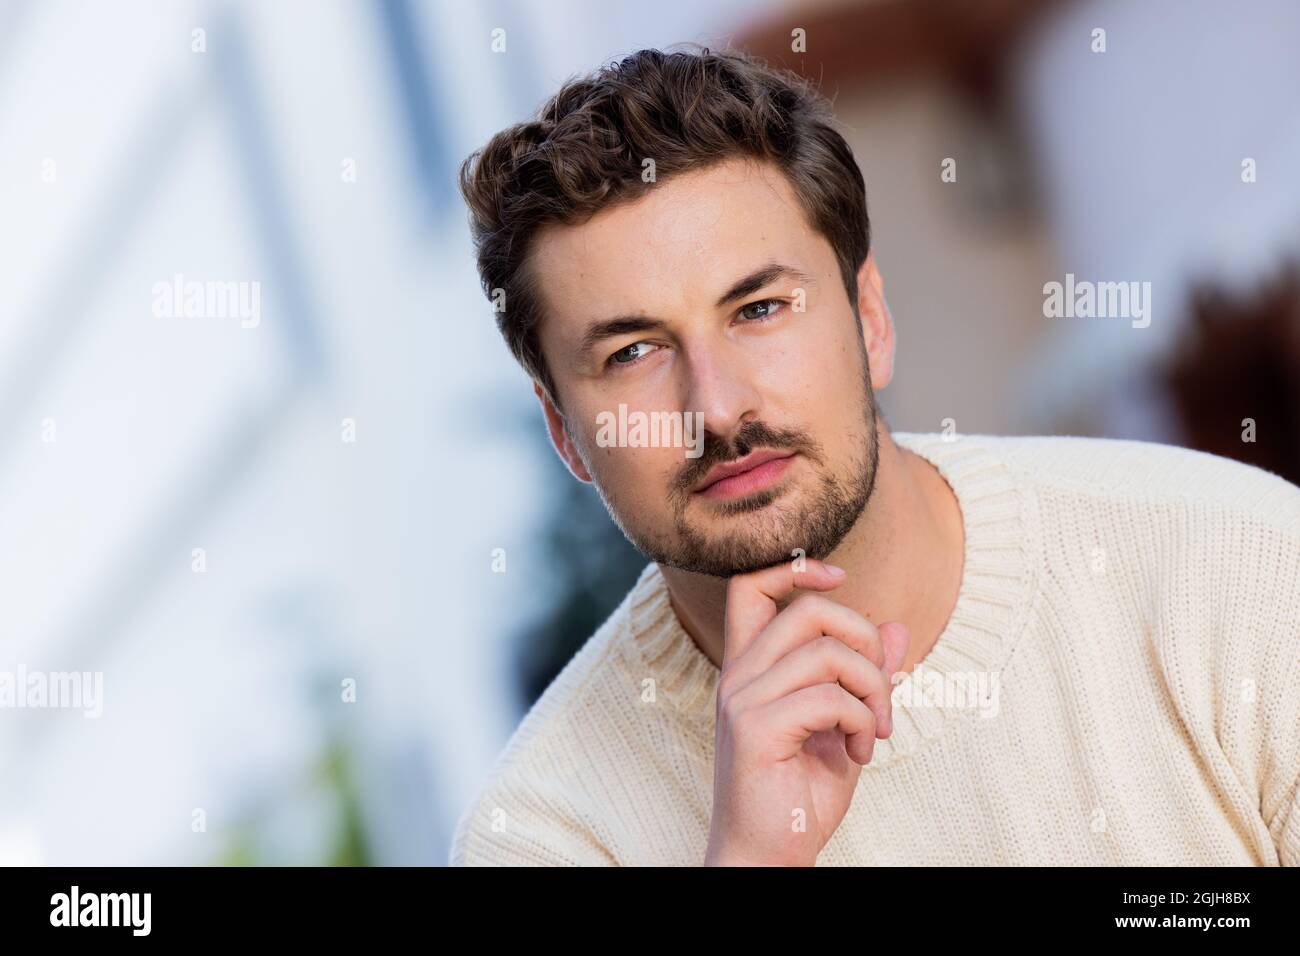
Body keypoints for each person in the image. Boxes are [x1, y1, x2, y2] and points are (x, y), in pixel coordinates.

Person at [449, 47, 1300, 866]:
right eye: (631, 353)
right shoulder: (539, 838)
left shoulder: (1238, 567)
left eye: (760, 309)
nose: (717, 409)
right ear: (565, 431)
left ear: (871, 321)